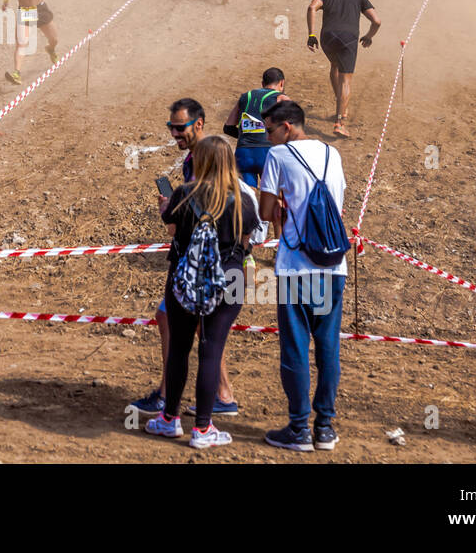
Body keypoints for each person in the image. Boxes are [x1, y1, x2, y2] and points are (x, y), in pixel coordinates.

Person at [131, 99, 252, 420]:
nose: (174, 133)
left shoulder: (207, 158)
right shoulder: (205, 157)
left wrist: (170, 211)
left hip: (200, 267)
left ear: (198, 124)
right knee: (192, 328)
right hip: (215, 266)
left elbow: (190, 220)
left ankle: (173, 399)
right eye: (171, 127)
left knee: (177, 322)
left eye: (179, 127)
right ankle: (218, 395)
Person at [144, 136, 258, 448]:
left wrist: (164, 207)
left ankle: (169, 420)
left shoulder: (182, 193)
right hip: (229, 280)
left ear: (200, 162)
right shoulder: (243, 200)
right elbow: (247, 241)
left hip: (184, 278)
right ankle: (203, 429)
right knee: (212, 349)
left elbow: (171, 228)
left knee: (180, 349)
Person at [258, 100, 348, 452]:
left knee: (295, 348)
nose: (267, 139)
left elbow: (265, 214)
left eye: (270, 131)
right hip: (332, 266)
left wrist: (277, 203)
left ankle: (298, 428)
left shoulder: (278, 157)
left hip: (296, 266)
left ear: (287, 127)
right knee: (328, 347)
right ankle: (324, 428)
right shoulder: (332, 154)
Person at [306, 0, 380, 137]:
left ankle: (340, 102)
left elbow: (312, 8)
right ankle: (340, 122)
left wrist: (311, 34)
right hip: (348, 38)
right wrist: (368, 36)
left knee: (335, 65)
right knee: (345, 79)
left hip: (328, 37)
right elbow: (376, 21)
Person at [2, 0, 58, 84]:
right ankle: (17, 73)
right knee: (21, 43)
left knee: (54, 39)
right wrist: (5, 0)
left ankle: (50, 49)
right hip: (26, 11)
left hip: (40, 9)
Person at [223, 68, 288, 186]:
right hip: (268, 153)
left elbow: (228, 127)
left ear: (262, 84)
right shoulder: (281, 98)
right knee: (273, 198)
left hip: (243, 153)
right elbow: (291, 129)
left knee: (247, 199)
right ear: (282, 83)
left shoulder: (245, 96)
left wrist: (248, 135)